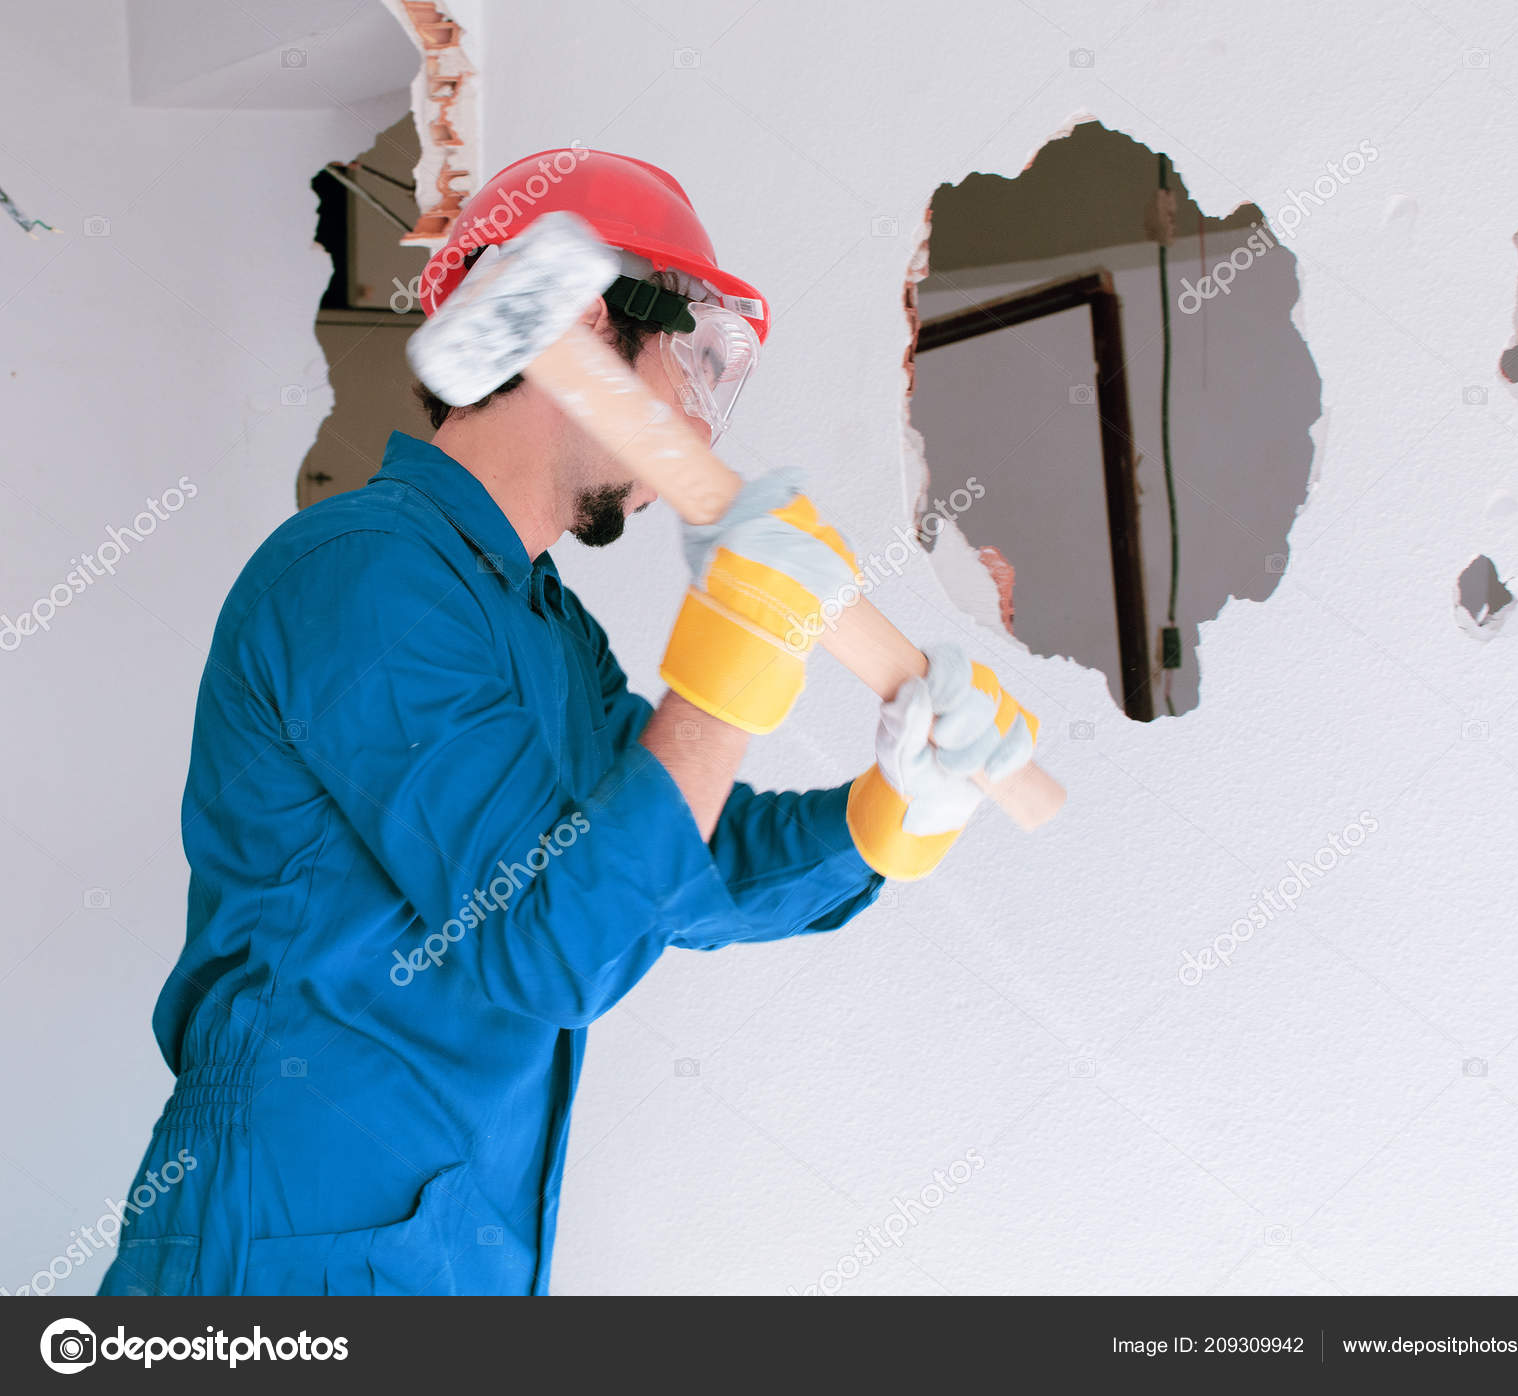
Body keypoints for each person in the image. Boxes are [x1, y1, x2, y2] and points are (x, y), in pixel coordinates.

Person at [98, 149, 1038, 1296]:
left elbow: (660, 855)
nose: (698, 410)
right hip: (278, 1259)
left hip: (450, 1260)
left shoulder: (543, 627)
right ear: (588, 324)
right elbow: (548, 939)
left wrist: (885, 814)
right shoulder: (365, 579)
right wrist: (735, 660)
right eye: (695, 357)